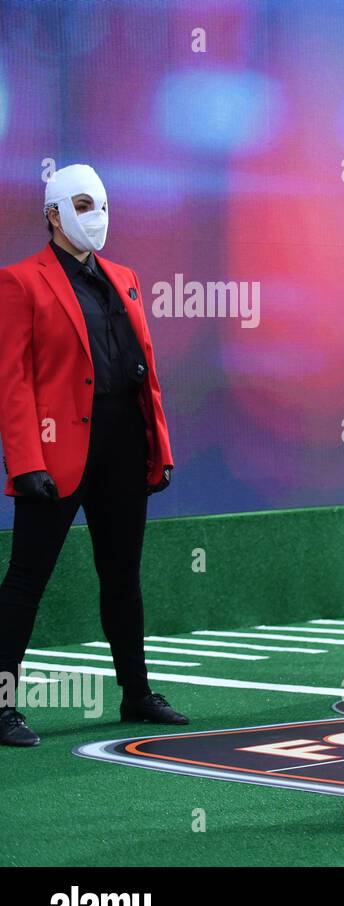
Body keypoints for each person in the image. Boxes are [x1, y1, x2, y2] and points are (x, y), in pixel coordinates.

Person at [0, 164, 184, 748]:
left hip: (124, 444)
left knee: (123, 576)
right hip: (56, 450)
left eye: (102, 203)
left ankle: (136, 692)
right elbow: (12, 382)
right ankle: (1, 704)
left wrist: (159, 447)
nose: (97, 215)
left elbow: (145, 374)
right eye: (82, 204)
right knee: (27, 578)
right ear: (53, 213)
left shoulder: (124, 277)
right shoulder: (20, 281)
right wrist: (25, 461)